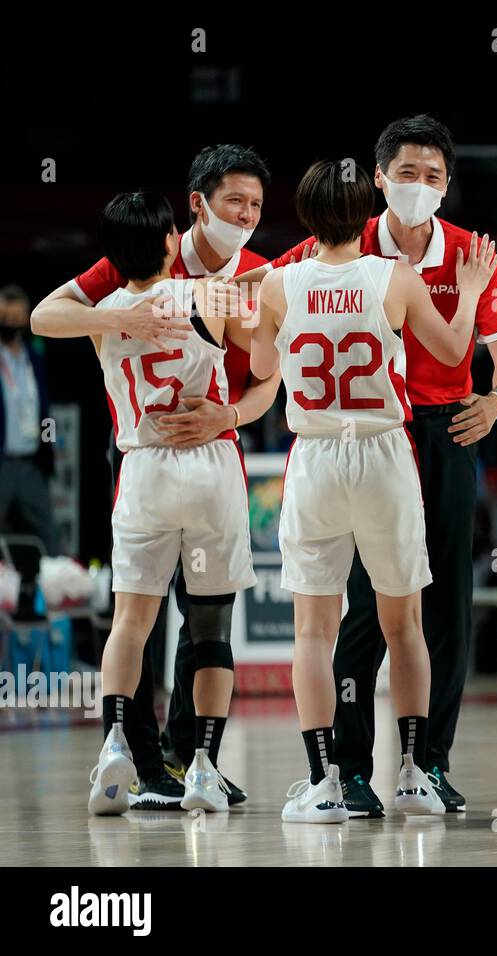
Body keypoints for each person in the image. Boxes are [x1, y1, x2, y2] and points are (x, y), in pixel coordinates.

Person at [238, 116, 497, 817]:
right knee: (394, 617)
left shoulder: (287, 275)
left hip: (391, 439)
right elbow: (455, 346)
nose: (419, 186)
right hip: (387, 442)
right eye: (407, 173)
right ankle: (383, 769)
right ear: (376, 183)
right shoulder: (383, 267)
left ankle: (366, 772)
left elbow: (263, 366)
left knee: (384, 613)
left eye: (432, 176)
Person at [31, 144, 280, 810]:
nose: (247, 215)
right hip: (210, 467)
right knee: (210, 628)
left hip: (141, 466)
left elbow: (43, 317)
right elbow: (266, 363)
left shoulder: (103, 312)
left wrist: (113, 315)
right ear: (178, 233)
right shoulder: (215, 292)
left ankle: (115, 746)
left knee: (130, 624)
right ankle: (200, 762)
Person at [0, 285, 57, 556]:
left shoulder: (34, 356)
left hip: (31, 464)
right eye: (5, 319)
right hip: (2, 462)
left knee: (49, 534)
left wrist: (48, 447)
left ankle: (59, 584)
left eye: (16, 318)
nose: (12, 324)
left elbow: (45, 410)